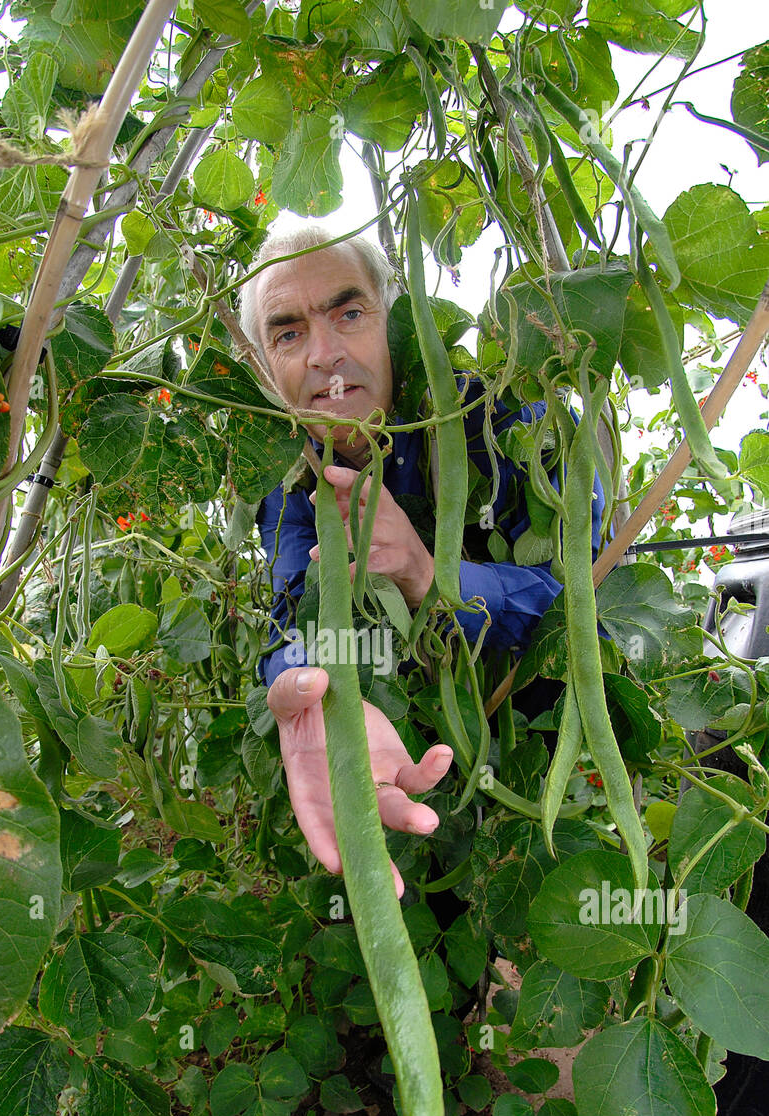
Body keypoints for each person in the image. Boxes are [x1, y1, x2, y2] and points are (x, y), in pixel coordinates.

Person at [237, 226, 603, 896]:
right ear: (265, 370)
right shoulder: (290, 483)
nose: (324, 354)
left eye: (349, 313)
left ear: (395, 321)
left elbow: (590, 615)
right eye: (287, 333)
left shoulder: (503, 414)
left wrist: (430, 576)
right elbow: (293, 616)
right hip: (410, 750)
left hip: (551, 738)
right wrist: (312, 696)